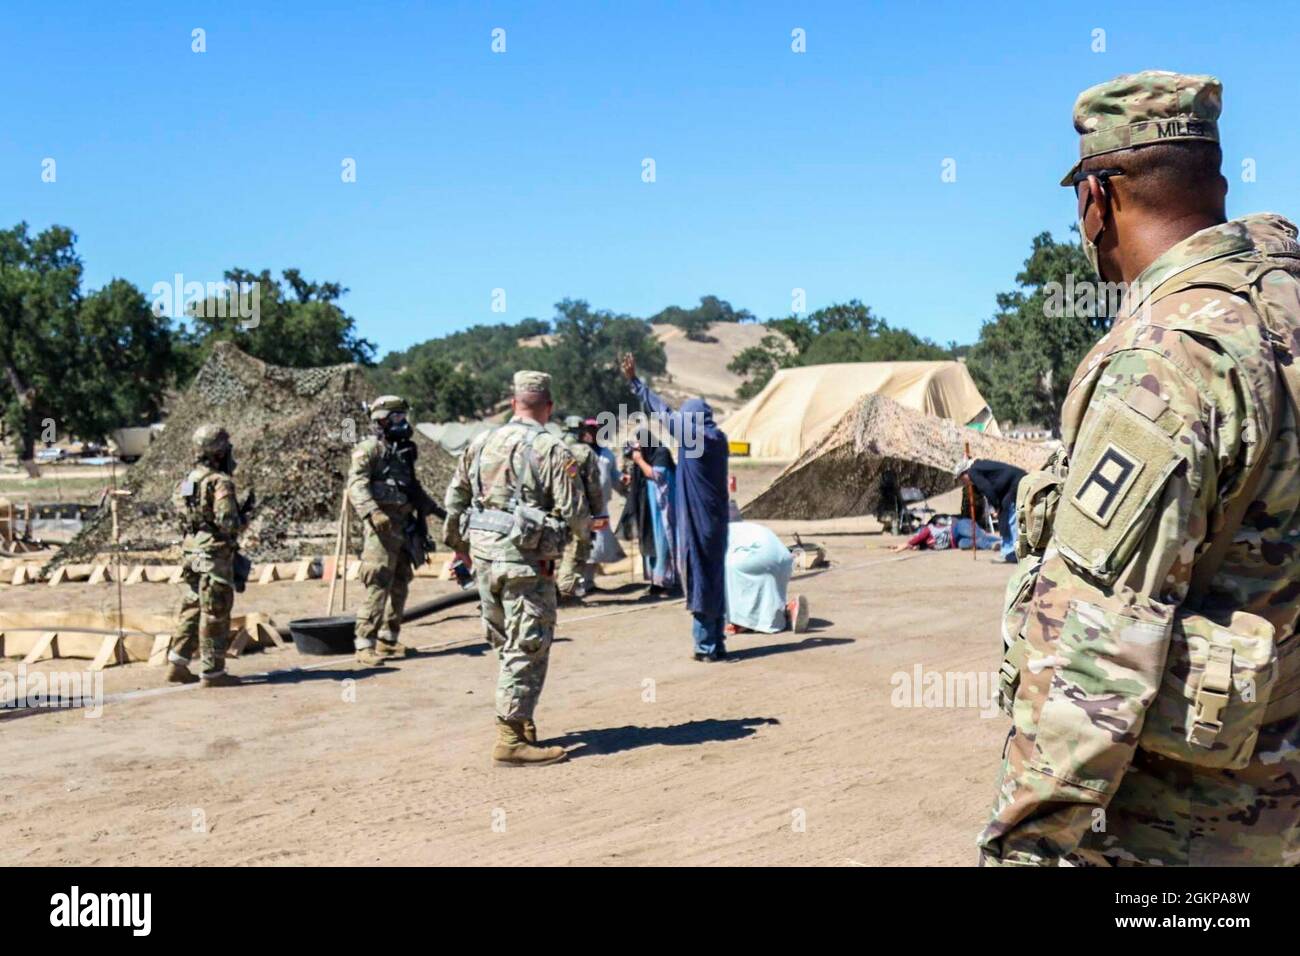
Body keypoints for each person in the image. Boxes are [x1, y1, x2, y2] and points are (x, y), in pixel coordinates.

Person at [980, 71, 1300, 867]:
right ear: (1216, 181)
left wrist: (1024, 849)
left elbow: (1095, 646)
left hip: (1193, 836)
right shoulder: (1284, 308)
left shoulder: (1165, 357)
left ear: (1098, 197)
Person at [443, 370, 588, 766]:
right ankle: (510, 738)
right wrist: (575, 563)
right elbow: (576, 515)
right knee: (528, 645)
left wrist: (460, 550)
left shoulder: (480, 441)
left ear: (513, 403)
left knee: (506, 643)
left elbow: (454, 501)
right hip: (526, 564)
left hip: (485, 561)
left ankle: (520, 722)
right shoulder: (553, 449)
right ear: (549, 407)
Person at [621, 353, 731, 662]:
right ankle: (716, 641)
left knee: (699, 578)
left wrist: (635, 383)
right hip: (717, 523)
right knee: (713, 577)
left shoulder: (694, 437)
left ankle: (706, 646)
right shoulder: (718, 439)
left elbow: (661, 411)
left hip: (698, 523)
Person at [346, 395, 442, 665]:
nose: (403, 421)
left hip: (404, 527)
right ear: (382, 419)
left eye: (403, 416)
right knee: (378, 582)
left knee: (400, 582)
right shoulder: (368, 449)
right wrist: (372, 512)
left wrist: (438, 512)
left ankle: (388, 639)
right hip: (381, 529)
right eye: (397, 416)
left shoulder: (403, 453)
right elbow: (356, 486)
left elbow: (413, 489)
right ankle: (364, 644)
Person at [166, 424, 245, 687]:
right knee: (215, 609)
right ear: (219, 452)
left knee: (192, 605)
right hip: (213, 553)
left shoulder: (188, 481)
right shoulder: (220, 482)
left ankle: (177, 663)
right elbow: (227, 521)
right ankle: (213, 672)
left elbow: (180, 513)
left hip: (192, 551)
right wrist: (241, 518)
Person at [553, 414, 608, 601]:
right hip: (577, 510)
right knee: (576, 551)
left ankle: (552, 592)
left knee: (553, 551)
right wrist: (597, 511)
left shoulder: (550, 448)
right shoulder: (584, 452)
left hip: (550, 510)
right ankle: (566, 592)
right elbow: (593, 486)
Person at [724, 518, 809, 635]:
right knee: (767, 594)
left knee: (726, 569)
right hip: (784, 558)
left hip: (758, 557)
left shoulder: (709, 535)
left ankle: (740, 621)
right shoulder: (734, 528)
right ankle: (789, 609)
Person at [621, 433, 678, 595]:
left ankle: (667, 581)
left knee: (662, 542)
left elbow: (657, 475)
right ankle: (655, 581)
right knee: (649, 541)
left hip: (662, 510)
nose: (638, 446)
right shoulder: (648, 454)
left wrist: (639, 460)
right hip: (648, 507)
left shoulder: (661, 453)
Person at [954, 458, 1025, 563]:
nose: (963, 482)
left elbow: (986, 488)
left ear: (964, 473)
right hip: (1012, 485)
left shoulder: (973, 472)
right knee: (1005, 516)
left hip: (1015, 483)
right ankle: (1007, 551)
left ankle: (1013, 552)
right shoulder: (978, 467)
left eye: (961, 479)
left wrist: (995, 506)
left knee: (1010, 518)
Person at [586, 417, 626, 569]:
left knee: (599, 540)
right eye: (588, 431)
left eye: (594, 431)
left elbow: (614, 475)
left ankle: (590, 580)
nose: (591, 434)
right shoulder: (578, 453)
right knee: (585, 541)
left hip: (601, 505)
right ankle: (584, 582)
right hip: (583, 505)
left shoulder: (607, 454)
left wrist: (622, 480)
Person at [890, 516, 1001, 553]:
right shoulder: (928, 546)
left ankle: (1004, 541)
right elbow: (915, 544)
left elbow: (917, 538)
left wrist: (903, 545)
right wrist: (912, 547)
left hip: (957, 527)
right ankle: (993, 546)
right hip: (957, 542)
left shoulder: (928, 530)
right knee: (970, 544)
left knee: (979, 535)